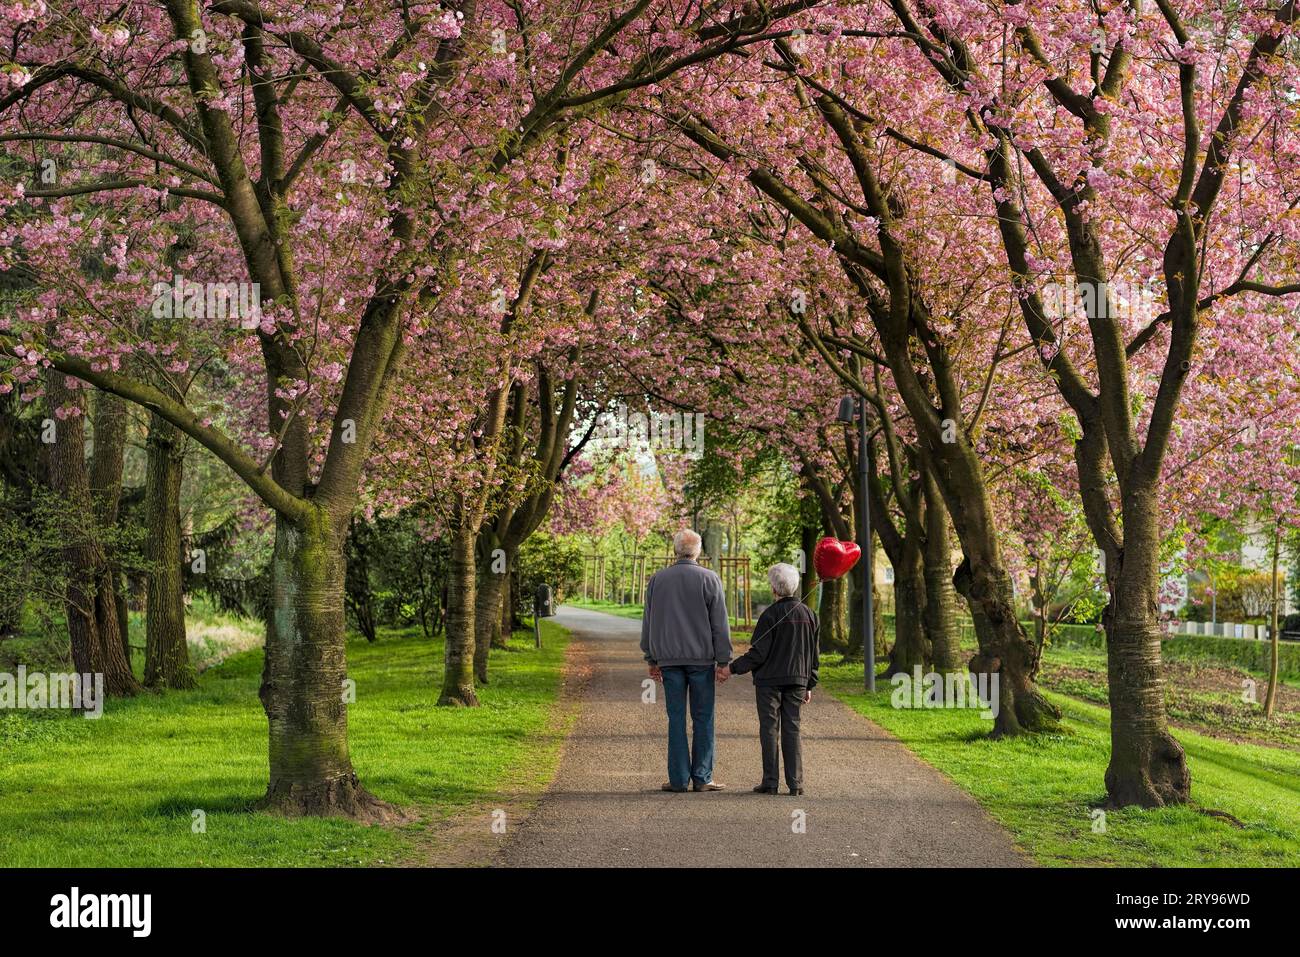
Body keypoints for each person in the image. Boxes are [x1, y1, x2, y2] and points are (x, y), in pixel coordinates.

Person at [640, 529, 732, 793]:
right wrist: (723, 660)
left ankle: (679, 779)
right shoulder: (709, 579)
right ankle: (702, 777)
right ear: (698, 551)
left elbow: (649, 620)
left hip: (669, 660)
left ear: (675, 551)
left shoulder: (658, 580)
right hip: (701, 660)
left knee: (676, 718)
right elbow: (720, 624)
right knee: (703, 718)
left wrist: (651, 656)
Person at [721, 563, 818, 795]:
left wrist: (731, 669)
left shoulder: (769, 615)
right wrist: (810, 683)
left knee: (769, 729)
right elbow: (814, 653)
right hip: (797, 680)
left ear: (774, 589)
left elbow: (758, 653)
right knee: (793, 729)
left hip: (769, 682)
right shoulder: (809, 614)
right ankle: (796, 784)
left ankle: (770, 781)